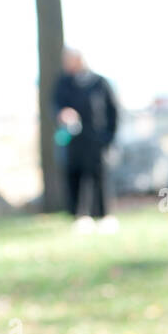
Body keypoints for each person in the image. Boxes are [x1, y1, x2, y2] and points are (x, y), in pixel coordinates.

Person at [52, 47, 119, 223]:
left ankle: (104, 215)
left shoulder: (99, 83)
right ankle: (80, 216)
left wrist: (108, 136)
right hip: (74, 141)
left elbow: (113, 111)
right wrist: (63, 113)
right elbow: (56, 106)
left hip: (97, 138)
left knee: (98, 176)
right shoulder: (63, 83)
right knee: (76, 176)